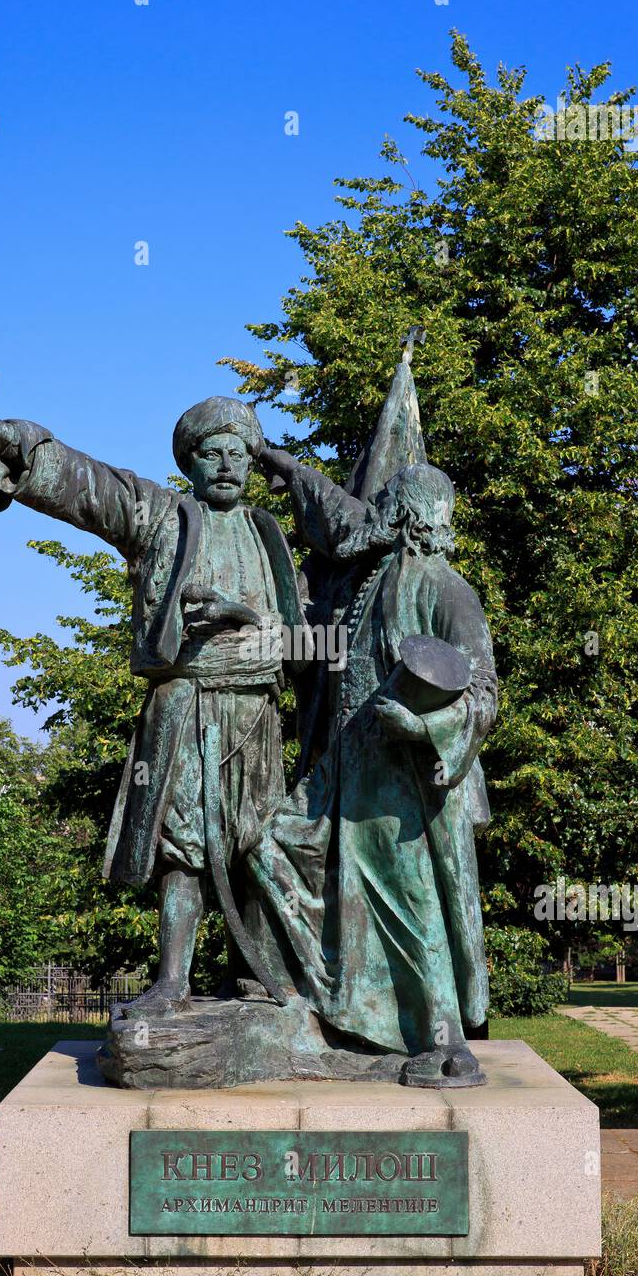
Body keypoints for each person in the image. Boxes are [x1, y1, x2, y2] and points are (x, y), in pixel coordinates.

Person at [0, 393, 308, 1013]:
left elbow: (302, 635)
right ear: (188, 463)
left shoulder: (270, 537)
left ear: (251, 462)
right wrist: (7, 439)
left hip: (258, 712)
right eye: (210, 453)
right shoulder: (163, 515)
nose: (225, 465)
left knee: (257, 843)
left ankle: (254, 968)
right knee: (181, 844)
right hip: (187, 703)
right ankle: (171, 981)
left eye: (237, 454)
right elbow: (87, 484)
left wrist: (249, 617)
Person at [245, 448, 498, 1085]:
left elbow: (485, 690)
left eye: (389, 504)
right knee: (265, 839)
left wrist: (425, 728)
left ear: (410, 513)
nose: (377, 512)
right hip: (345, 764)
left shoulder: (445, 586)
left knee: (411, 904)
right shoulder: (373, 578)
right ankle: (324, 1003)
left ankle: (448, 1045)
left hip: (400, 779)